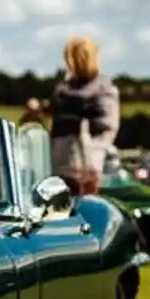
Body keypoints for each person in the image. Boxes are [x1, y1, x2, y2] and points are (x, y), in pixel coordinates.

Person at [50, 37, 120, 196]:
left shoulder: (103, 88)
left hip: (87, 163)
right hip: (60, 160)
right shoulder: (63, 88)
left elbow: (106, 125)